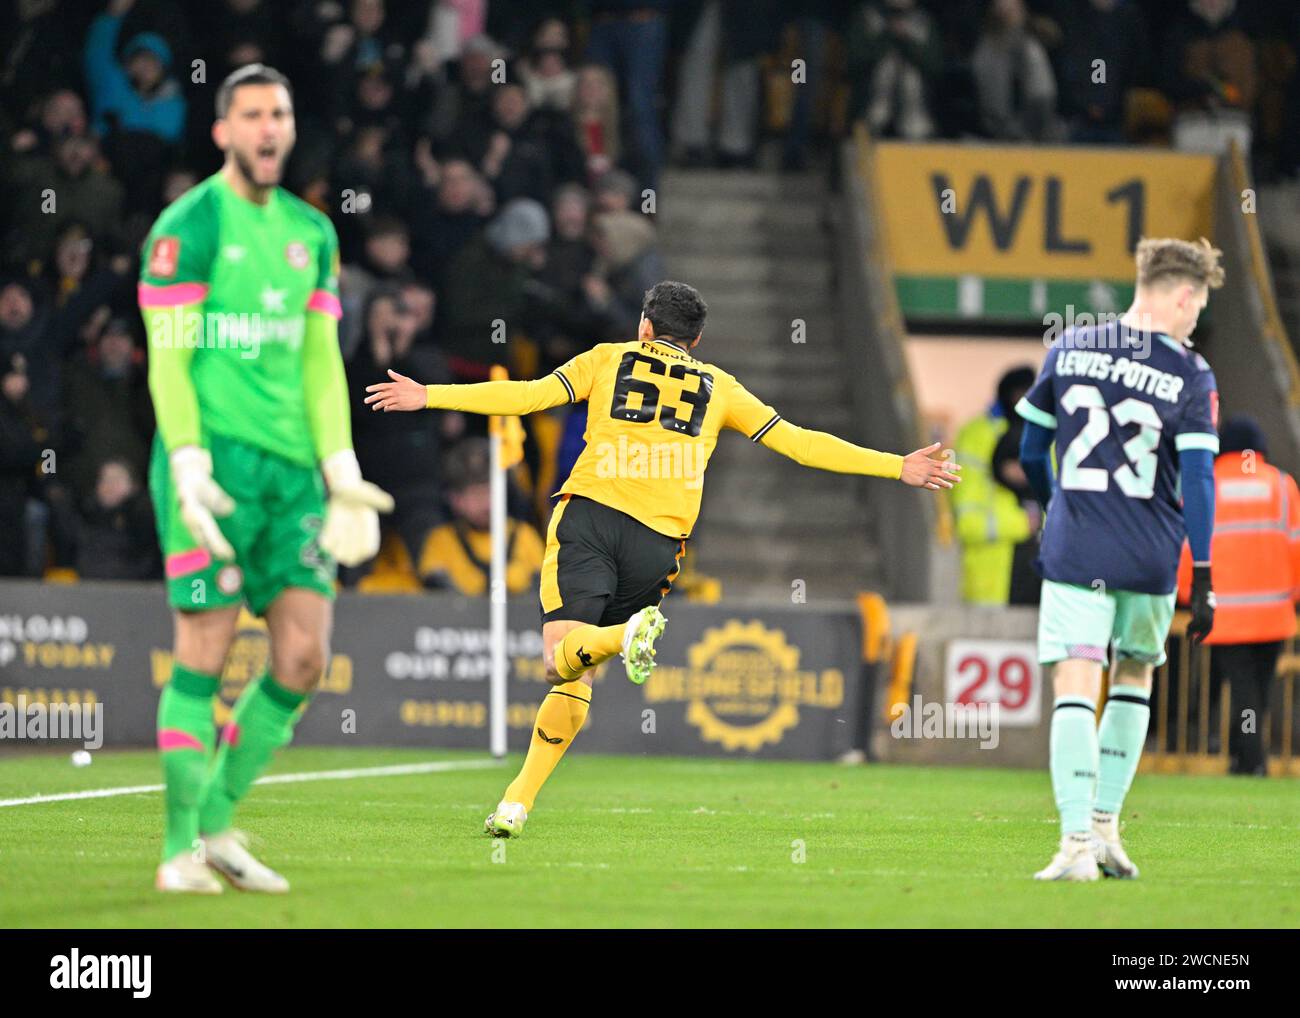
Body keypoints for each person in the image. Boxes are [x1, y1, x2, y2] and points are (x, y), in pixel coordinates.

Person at [365, 279, 960, 837]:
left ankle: (620, 641)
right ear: (695, 340)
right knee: (578, 672)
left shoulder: (606, 358)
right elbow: (800, 444)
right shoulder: (720, 386)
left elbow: (529, 397)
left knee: (558, 662)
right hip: (660, 541)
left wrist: (429, 395)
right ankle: (517, 802)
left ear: (645, 327)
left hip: (592, 515)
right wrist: (895, 464)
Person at [139, 64, 393, 895]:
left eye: (279, 113)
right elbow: (168, 360)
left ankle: (216, 822)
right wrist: (185, 458)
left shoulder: (312, 233)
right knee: (204, 654)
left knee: (305, 656)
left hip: (294, 478)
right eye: (250, 114)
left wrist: (342, 468)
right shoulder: (190, 225)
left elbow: (320, 362)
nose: (267, 128)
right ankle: (181, 849)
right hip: (212, 465)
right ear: (223, 131)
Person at [1017, 237, 1223, 881]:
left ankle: (1075, 843)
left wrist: (1058, 509)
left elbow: (1029, 450)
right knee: (1134, 675)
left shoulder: (1072, 345)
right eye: (1198, 308)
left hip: (1078, 547)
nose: (1196, 321)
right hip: (1151, 551)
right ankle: (1107, 827)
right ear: (1183, 295)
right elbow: (1198, 480)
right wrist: (1207, 573)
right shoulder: (1192, 373)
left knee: (1076, 683)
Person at [1177, 416, 1300, 776]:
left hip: (1226, 614)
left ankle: (1249, 760)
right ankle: (1246, 755)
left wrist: (1189, 596)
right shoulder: (1282, 486)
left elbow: (1186, 549)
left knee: (1243, 689)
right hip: (1275, 612)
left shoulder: (1205, 488)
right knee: (1258, 690)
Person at [952, 365, 1036, 604]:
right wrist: (1021, 524)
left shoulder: (1042, 433)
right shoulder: (977, 435)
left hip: (1038, 582)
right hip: (991, 586)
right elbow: (967, 523)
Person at [418, 438, 544, 595]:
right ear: (455, 499)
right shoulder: (441, 541)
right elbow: (435, 588)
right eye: (476, 495)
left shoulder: (525, 535)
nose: (487, 503)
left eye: (490, 492)